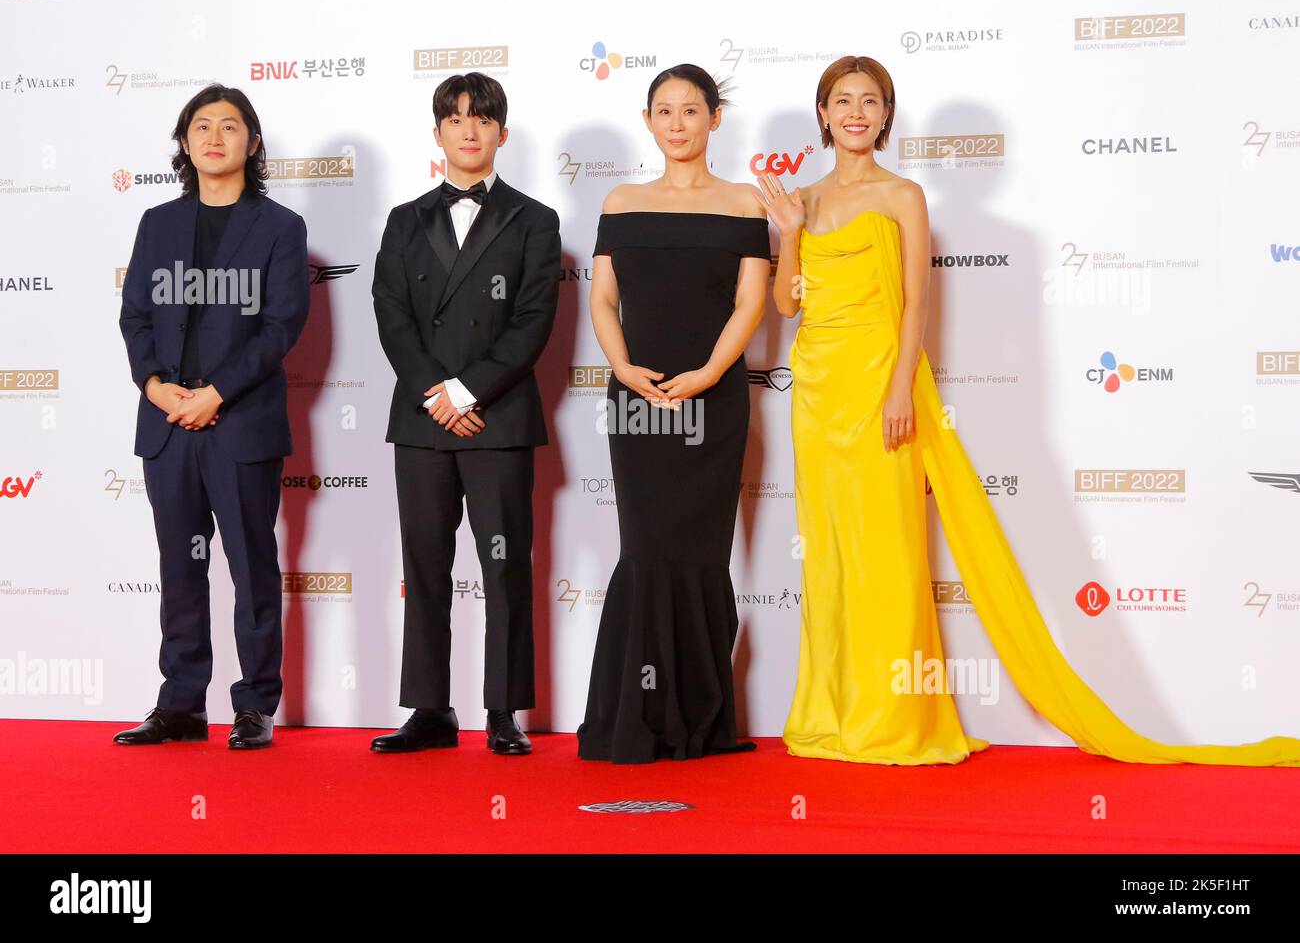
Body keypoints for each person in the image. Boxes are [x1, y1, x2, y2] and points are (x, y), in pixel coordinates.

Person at [759, 55, 1300, 766]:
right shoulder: (805, 200)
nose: (856, 111)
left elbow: (918, 304)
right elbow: (786, 305)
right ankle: (827, 716)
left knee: (885, 554)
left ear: (886, 115)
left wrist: (899, 391)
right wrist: (790, 232)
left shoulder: (904, 196)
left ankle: (887, 722)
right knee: (827, 557)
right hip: (818, 397)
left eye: (870, 100)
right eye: (842, 100)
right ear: (823, 113)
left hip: (878, 390)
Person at [576, 65, 770, 763]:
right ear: (649, 120)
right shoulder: (622, 200)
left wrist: (711, 373)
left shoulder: (746, 204)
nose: (679, 122)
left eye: (693, 110)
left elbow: (751, 303)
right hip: (639, 401)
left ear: (715, 119)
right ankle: (634, 719)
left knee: (700, 554)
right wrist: (624, 368)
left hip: (713, 403)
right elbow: (602, 299)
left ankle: (701, 722)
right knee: (646, 549)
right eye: (665, 110)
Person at [370, 72, 560, 756]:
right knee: (424, 564)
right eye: (455, 119)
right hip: (423, 421)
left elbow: (533, 320)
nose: (469, 130)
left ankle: (504, 710)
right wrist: (437, 394)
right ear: (437, 134)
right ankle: (429, 709)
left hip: (498, 418)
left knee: (504, 564)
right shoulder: (403, 219)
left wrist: (468, 392)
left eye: (482, 119)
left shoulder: (536, 220)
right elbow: (390, 316)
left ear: (502, 133)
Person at [115, 84, 310, 750]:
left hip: (240, 422)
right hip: (167, 422)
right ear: (185, 141)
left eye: (231, 126)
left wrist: (216, 392)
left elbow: (281, 326)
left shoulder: (281, 227)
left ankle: (255, 703)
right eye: (202, 125)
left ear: (253, 143)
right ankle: (180, 703)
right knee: (179, 565)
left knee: (251, 564)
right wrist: (155, 384)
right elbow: (135, 315)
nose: (215, 137)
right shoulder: (157, 224)